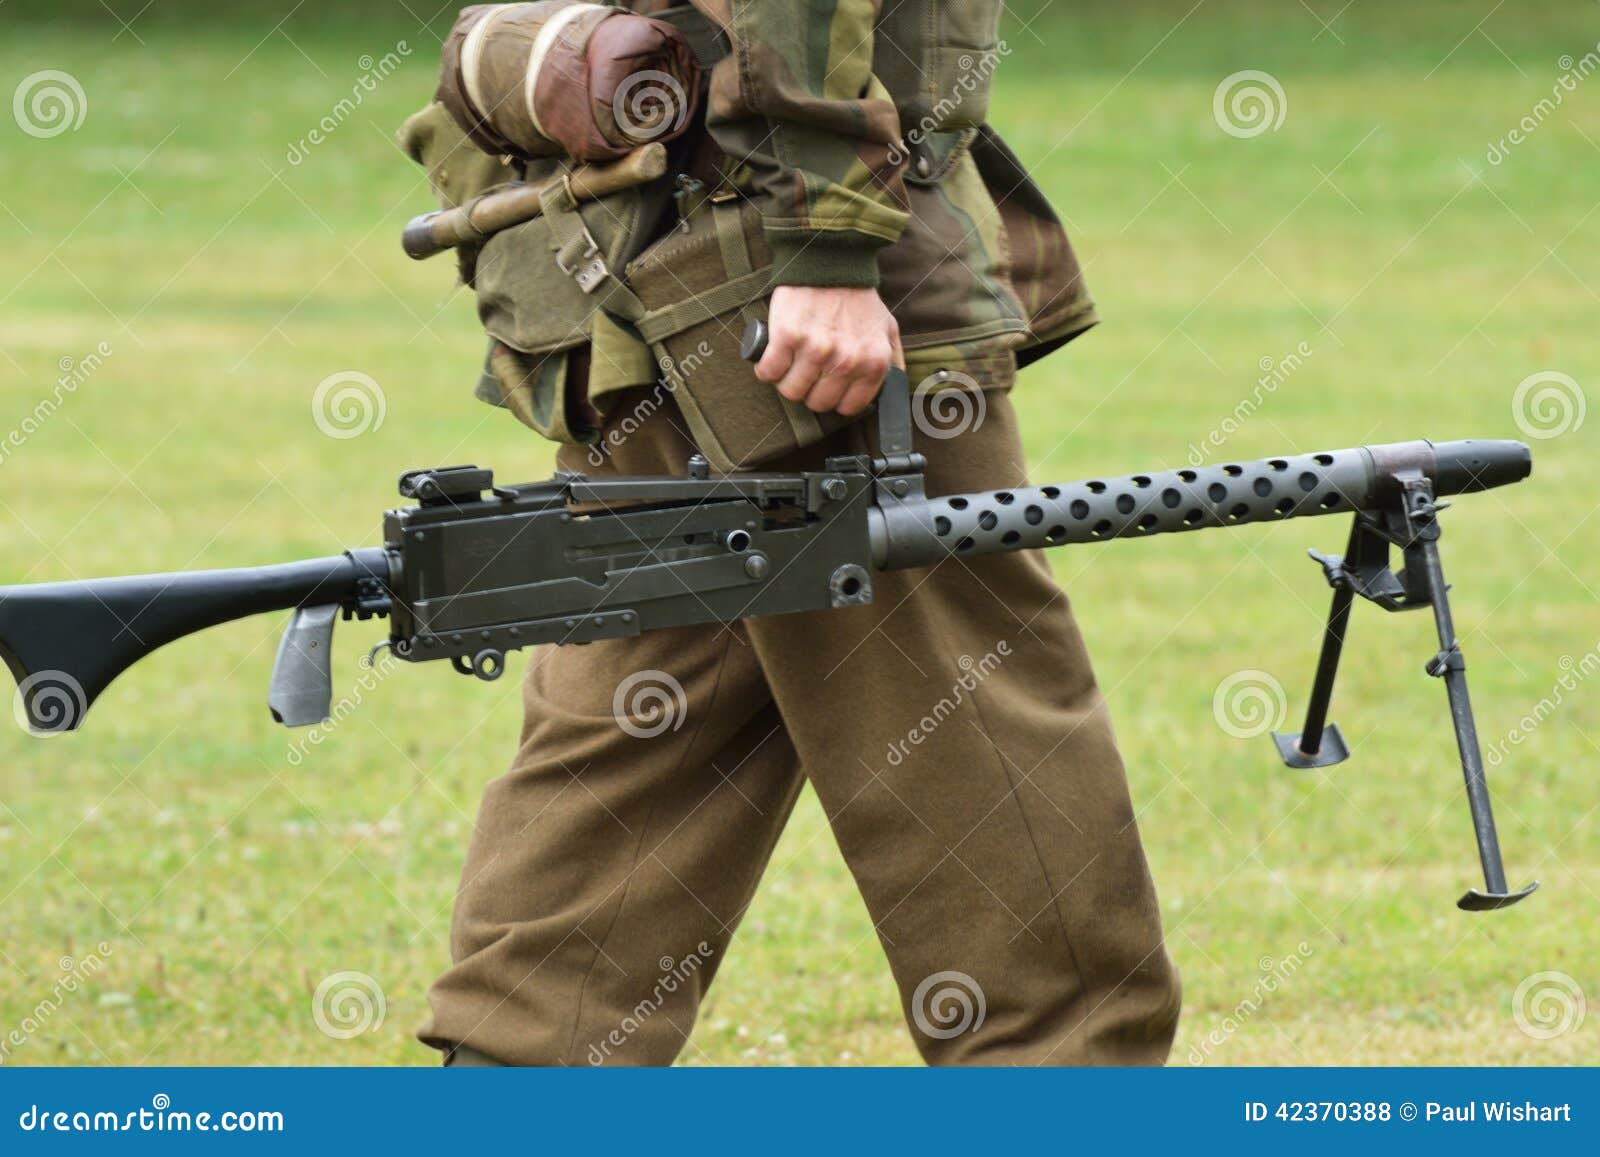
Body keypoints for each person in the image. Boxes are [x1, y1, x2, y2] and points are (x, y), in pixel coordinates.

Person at [418, 0, 1181, 1066]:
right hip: (785, 298)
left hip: (630, 276)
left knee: (643, 733)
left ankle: (515, 1080)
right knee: (971, 729)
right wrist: (824, 250)